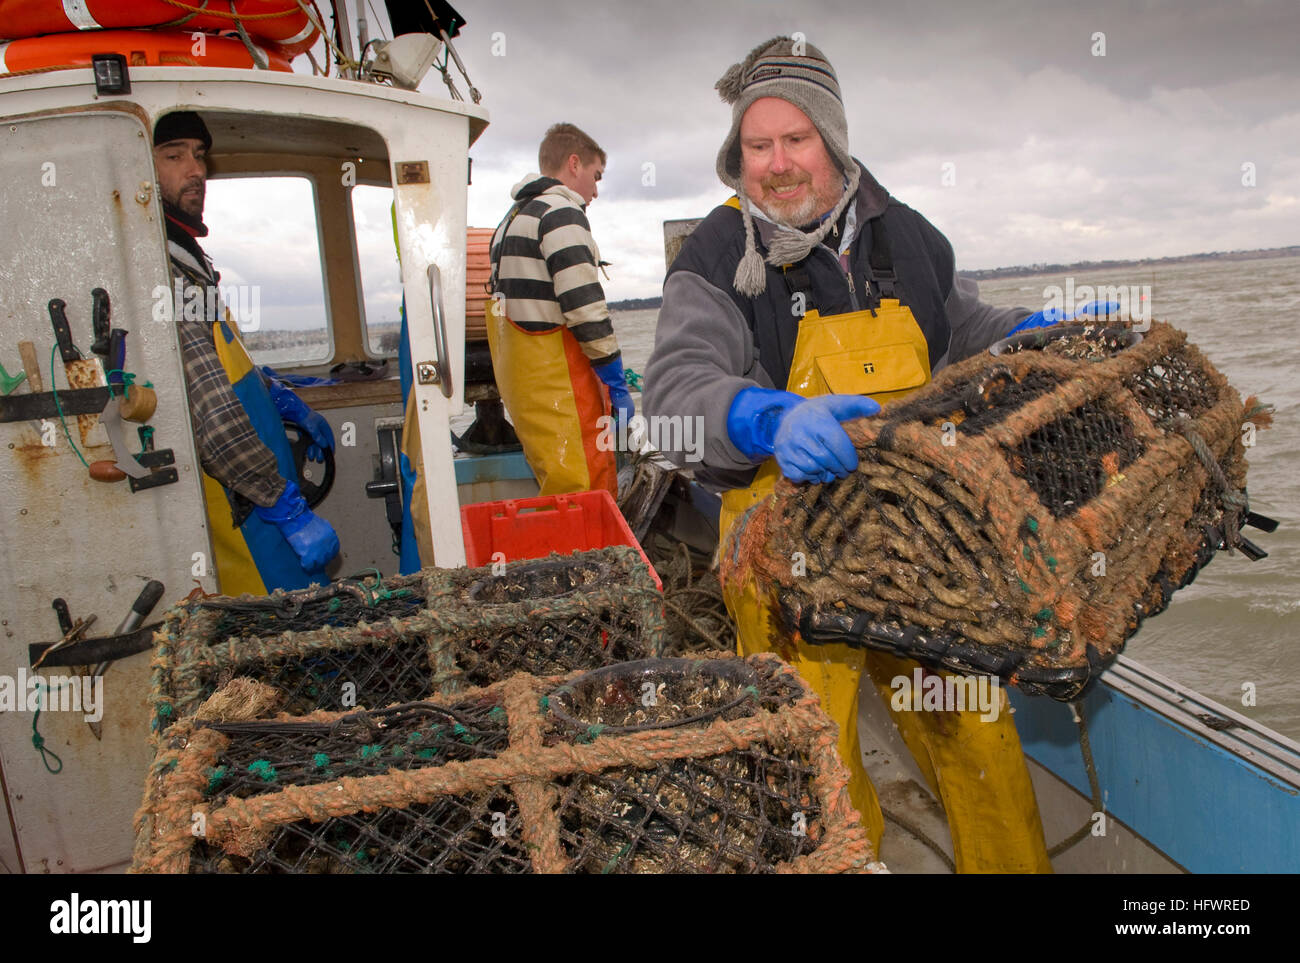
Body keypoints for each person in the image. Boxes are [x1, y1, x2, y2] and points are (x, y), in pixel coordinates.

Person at [644, 37, 1112, 873]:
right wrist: (761, 417)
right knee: (814, 770)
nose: (777, 166)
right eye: (758, 147)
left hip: (918, 543)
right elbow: (672, 397)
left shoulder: (908, 236)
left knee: (973, 726)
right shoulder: (717, 259)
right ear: (737, 156)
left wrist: (1033, 335)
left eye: (797, 141)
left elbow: (963, 331)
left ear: (835, 140)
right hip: (786, 558)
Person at [153, 111, 339, 595]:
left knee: (306, 618)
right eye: (174, 156)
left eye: (198, 155)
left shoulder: (188, 260)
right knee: (280, 640)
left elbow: (221, 363)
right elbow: (213, 414)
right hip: (250, 509)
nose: (195, 170)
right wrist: (288, 510)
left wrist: (276, 395)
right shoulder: (160, 272)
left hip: (263, 493)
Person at [486, 122, 633, 497]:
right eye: (595, 176)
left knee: (558, 492)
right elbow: (583, 307)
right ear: (573, 164)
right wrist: (616, 380)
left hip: (528, 392)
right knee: (587, 492)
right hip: (563, 388)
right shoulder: (561, 213)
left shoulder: (509, 222)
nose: (596, 191)